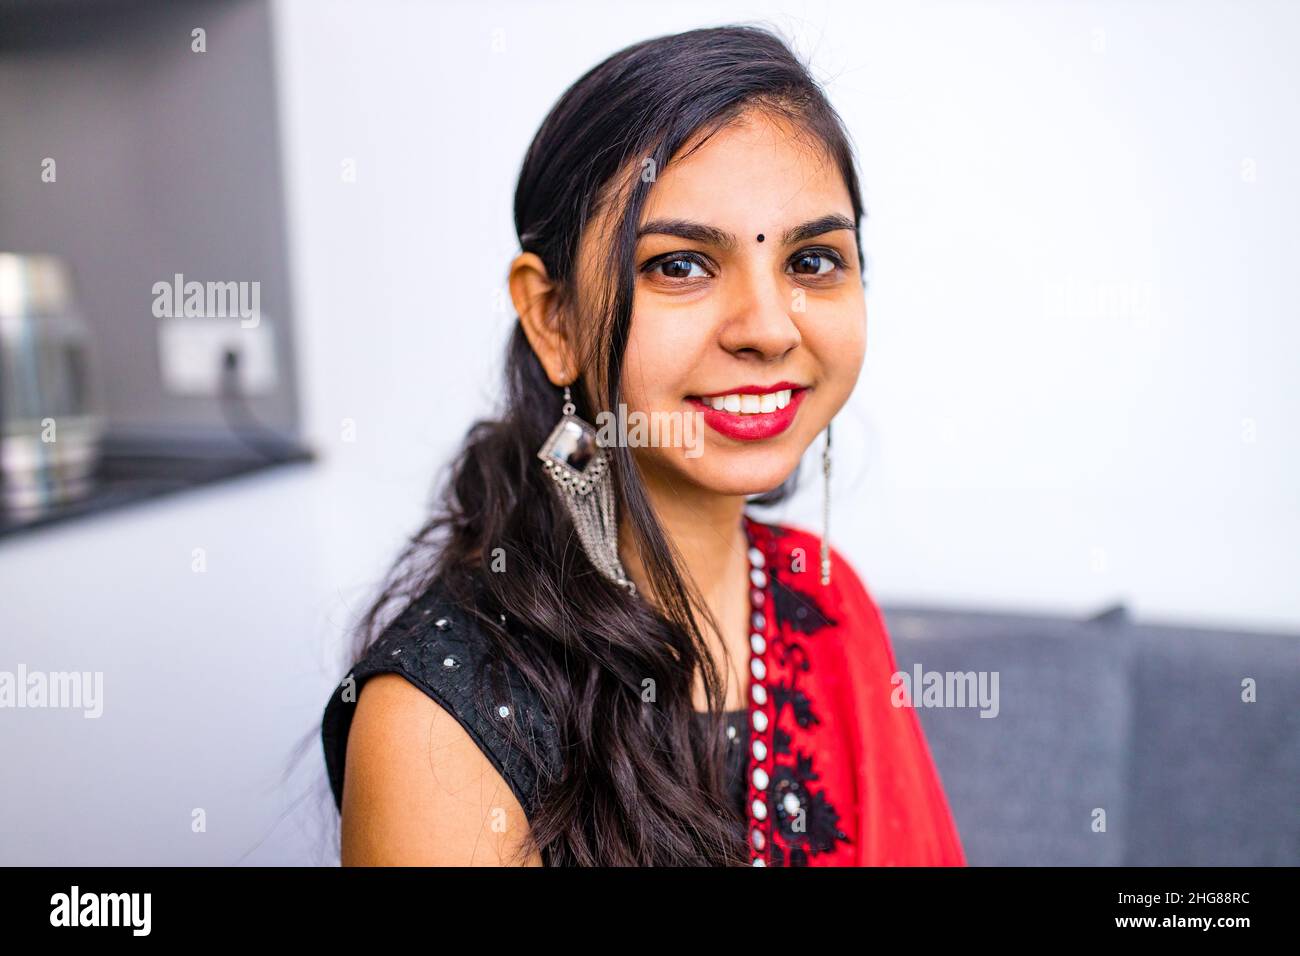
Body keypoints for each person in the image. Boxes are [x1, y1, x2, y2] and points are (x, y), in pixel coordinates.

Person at [320, 23, 966, 867]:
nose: (770, 329)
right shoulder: (442, 723)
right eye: (681, 266)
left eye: (812, 260)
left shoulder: (829, 602)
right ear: (554, 318)